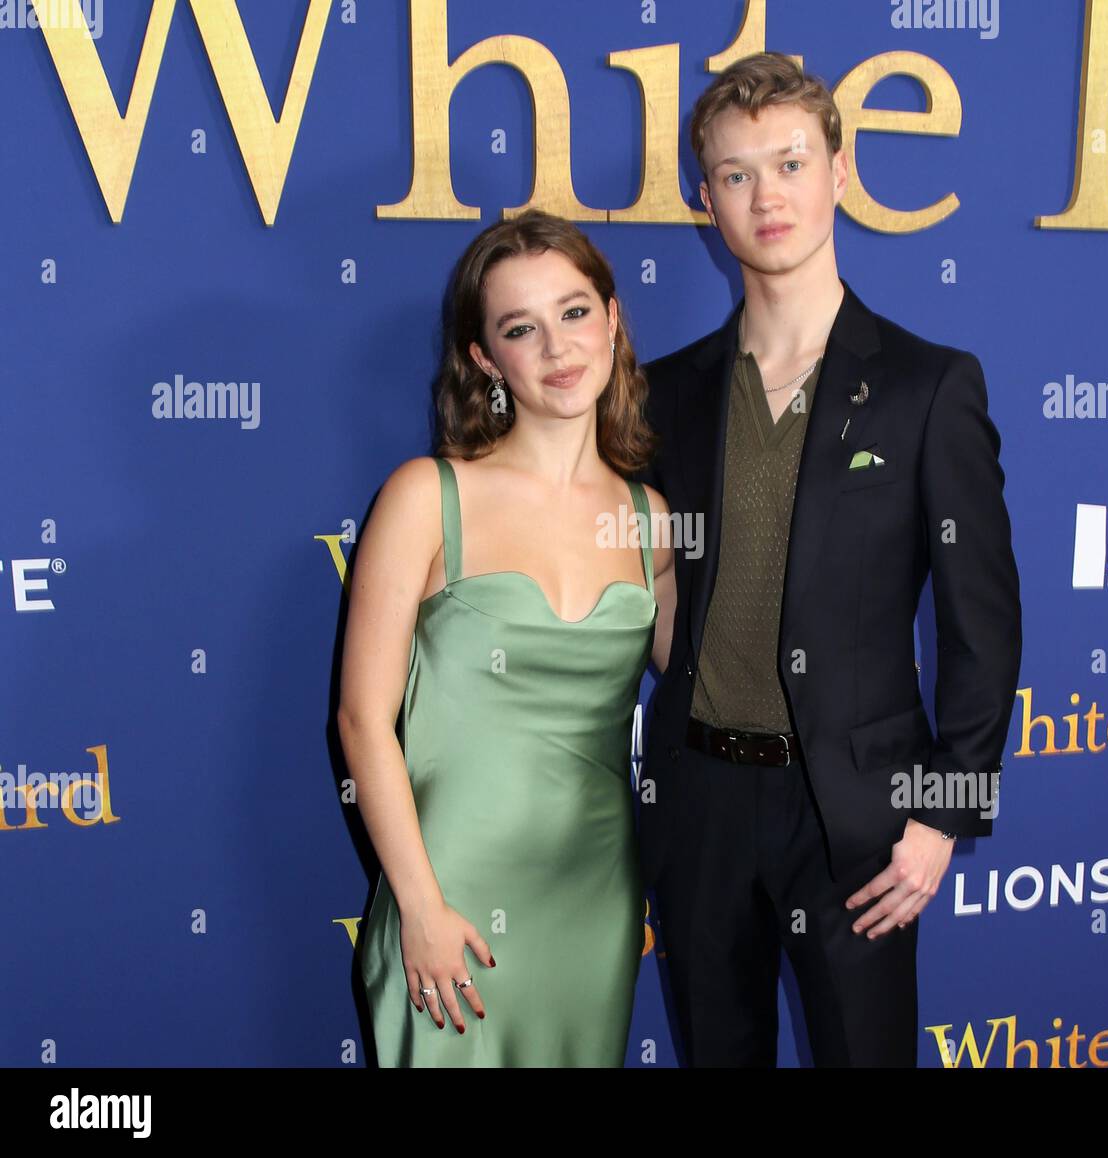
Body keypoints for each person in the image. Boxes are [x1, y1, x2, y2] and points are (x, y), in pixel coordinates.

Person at [633, 53, 1022, 1066]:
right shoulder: (663, 395)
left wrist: (939, 819)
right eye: (735, 174)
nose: (767, 196)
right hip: (701, 809)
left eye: (790, 162)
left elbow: (983, 630)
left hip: (858, 821)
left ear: (840, 173)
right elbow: (661, 581)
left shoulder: (928, 387)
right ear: (702, 199)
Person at [338, 209, 675, 1066]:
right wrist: (417, 904)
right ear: (486, 359)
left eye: (574, 312)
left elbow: (707, 674)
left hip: (591, 899)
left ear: (612, 319)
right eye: (520, 328)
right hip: (449, 891)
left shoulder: (652, 519)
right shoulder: (428, 496)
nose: (558, 348)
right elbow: (361, 722)